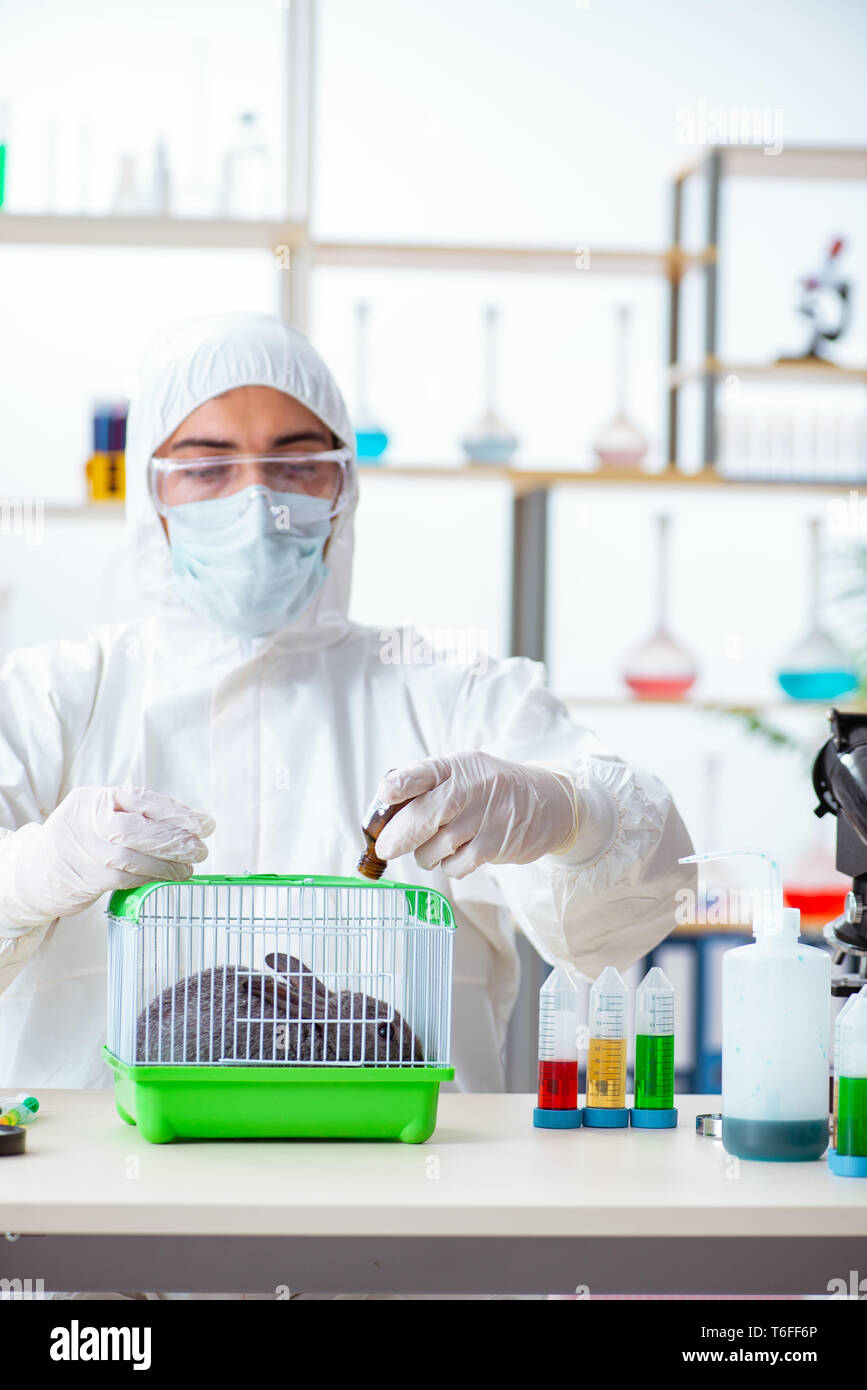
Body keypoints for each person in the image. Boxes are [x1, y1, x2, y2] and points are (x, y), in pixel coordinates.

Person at [0, 312, 694, 1296]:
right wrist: (34, 871)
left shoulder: (447, 687)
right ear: (147, 495)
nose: (254, 501)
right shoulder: (56, 695)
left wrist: (561, 811)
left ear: (344, 484)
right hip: (97, 1260)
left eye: (296, 462)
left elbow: (648, 893)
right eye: (206, 465)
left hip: (406, 1251)